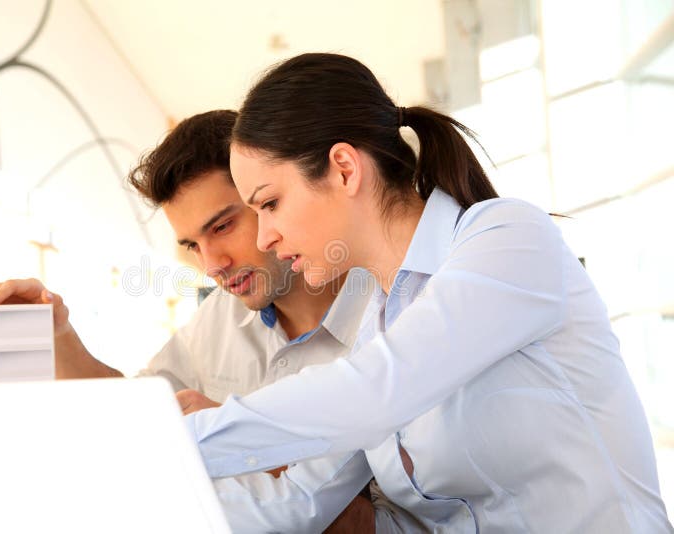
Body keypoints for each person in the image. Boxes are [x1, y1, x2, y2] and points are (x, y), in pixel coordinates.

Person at [182, 53, 674, 532]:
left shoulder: (508, 238)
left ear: (345, 169)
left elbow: (373, 392)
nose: (264, 236)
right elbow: (298, 500)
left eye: (269, 202)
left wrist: (169, 440)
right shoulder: (375, 332)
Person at [0, 110, 417, 532]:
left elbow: (381, 521)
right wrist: (58, 334)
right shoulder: (220, 315)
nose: (213, 264)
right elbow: (134, 409)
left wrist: (236, 437)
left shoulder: (391, 315)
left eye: (222, 227)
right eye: (192, 246)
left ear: (267, 199)